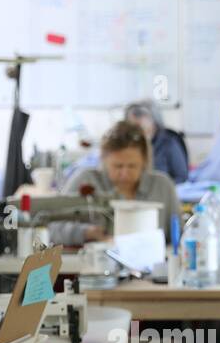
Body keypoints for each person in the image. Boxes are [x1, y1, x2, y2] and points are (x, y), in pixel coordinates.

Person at [52, 121, 182, 246]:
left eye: (132, 166)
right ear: (103, 160)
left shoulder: (163, 186)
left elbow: (180, 236)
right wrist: (85, 232)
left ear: (144, 162)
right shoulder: (85, 180)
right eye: (118, 166)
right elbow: (51, 228)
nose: (124, 173)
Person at [125, 100, 189, 183]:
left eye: (139, 125)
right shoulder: (127, 143)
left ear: (154, 120)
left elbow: (181, 177)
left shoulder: (169, 142)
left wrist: (160, 188)